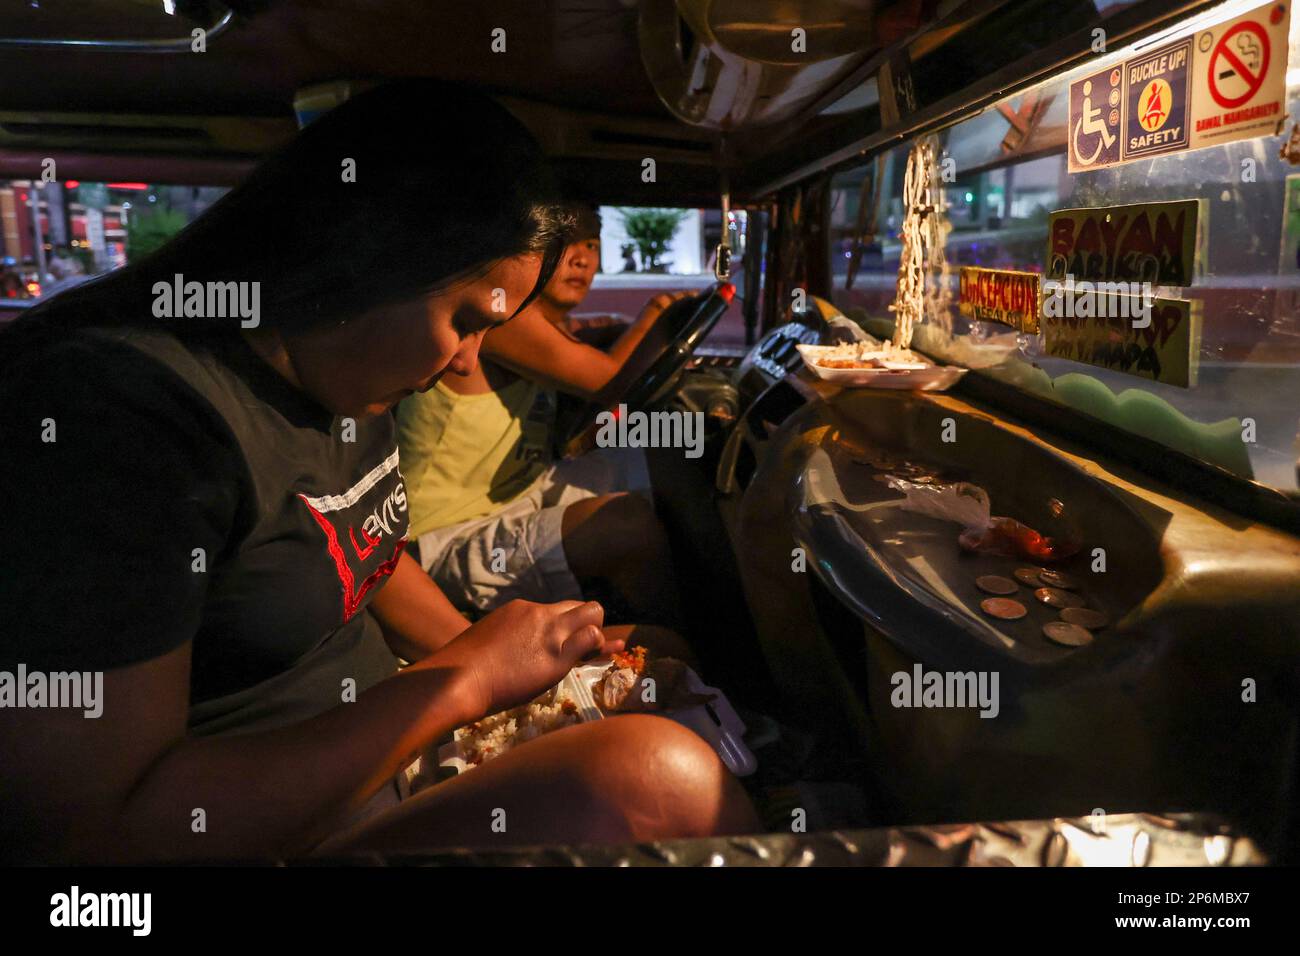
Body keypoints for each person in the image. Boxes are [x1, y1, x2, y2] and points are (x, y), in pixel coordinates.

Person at [0, 79, 757, 864]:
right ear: (369, 253)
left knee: (659, 661)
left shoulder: (349, 382)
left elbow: (360, 545)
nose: (466, 359)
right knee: (660, 784)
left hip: (386, 737)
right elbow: (99, 833)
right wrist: (463, 679)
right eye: (464, 321)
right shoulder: (121, 418)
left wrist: (493, 656)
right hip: (274, 826)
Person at [396, 204, 691, 627]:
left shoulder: (550, 324)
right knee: (629, 526)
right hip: (440, 538)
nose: (582, 258)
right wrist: (657, 315)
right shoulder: (504, 319)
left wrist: (623, 327)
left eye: (592, 244)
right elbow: (613, 384)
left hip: (521, 494)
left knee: (661, 453)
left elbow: (588, 341)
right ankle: (672, 647)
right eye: (567, 243)